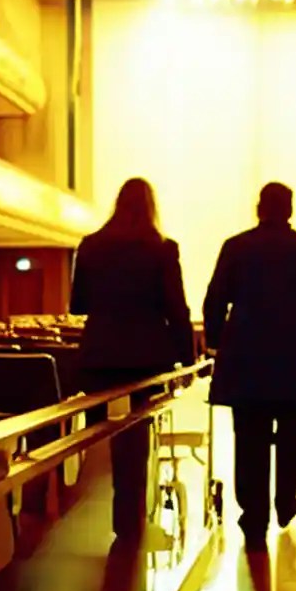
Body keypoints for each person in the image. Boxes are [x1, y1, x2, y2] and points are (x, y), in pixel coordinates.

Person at [203, 182, 296, 549]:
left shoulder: (237, 248)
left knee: (248, 438)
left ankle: (253, 513)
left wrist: (218, 343)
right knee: (294, 434)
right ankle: (286, 500)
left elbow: (215, 301)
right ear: (290, 210)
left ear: (259, 208)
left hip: (247, 362)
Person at [70, 178, 195, 541]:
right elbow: (177, 309)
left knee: (106, 435)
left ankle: (95, 514)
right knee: (137, 437)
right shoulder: (162, 249)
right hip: (145, 356)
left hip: (100, 354)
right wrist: (185, 362)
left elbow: (78, 306)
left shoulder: (91, 246)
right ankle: (130, 519)